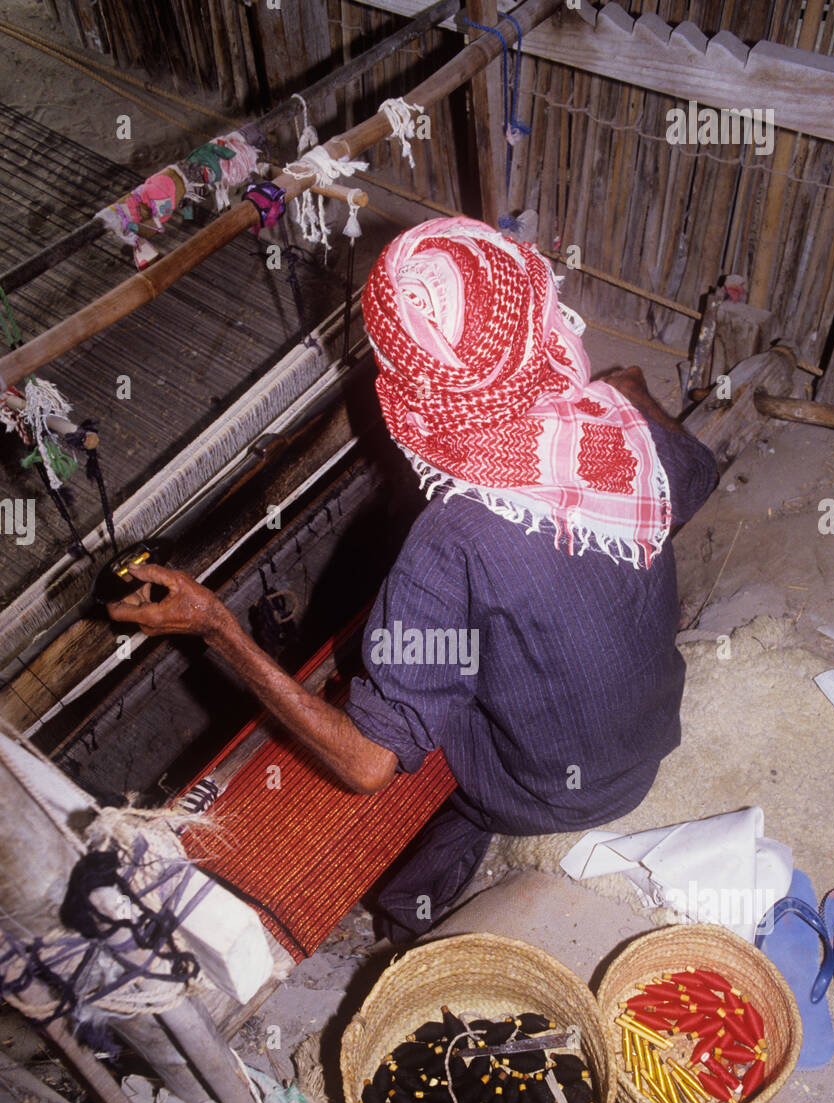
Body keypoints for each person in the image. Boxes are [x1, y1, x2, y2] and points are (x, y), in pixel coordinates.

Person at [108, 216, 717, 943]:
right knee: (462, 639)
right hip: (649, 731)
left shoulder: (451, 540)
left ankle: (406, 915)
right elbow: (700, 473)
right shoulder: (614, 429)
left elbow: (368, 766)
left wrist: (217, 626)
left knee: (418, 732)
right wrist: (635, 393)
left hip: (556, 793)